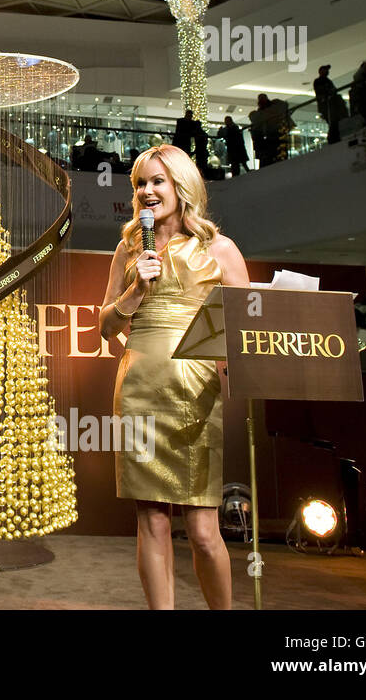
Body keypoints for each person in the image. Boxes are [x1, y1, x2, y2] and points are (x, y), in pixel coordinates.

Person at [99, 145, 250, 609]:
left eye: (157, 182)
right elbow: (105, 327)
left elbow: (245, 327)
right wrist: (133, 292)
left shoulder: (218, 248)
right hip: (139, 389)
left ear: (182, 187)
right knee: (152, 521)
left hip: (195, 395)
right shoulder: (129, 248)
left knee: (204, 530)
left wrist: (233, 373)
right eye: (140, 183)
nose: (147, 192)